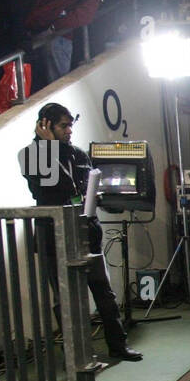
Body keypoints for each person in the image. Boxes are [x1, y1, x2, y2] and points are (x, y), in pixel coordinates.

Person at [17, 103, 142, 363]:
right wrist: (48, 147)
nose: (69, 130)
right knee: (67, 298)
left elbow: (82, 187)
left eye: (70, 124)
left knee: (104, 294)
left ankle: (118, 346)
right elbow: (44, 190)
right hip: (54, 236)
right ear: (45, 126)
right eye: (63, 125)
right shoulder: (31, 154)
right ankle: (78, 355)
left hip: (87, 232)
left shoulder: (79, 155)